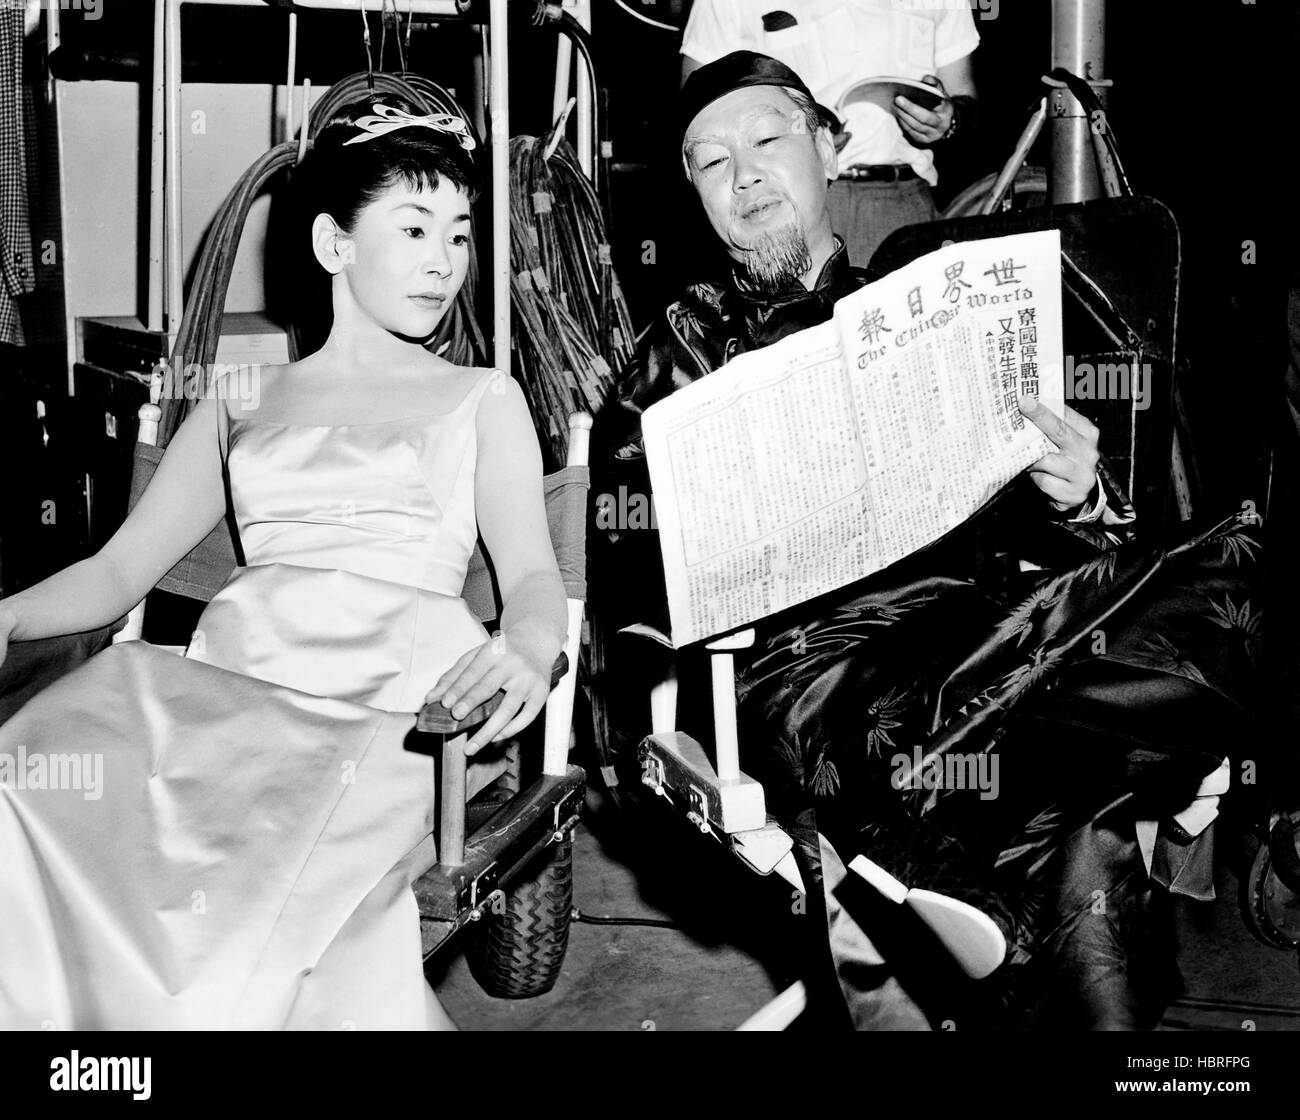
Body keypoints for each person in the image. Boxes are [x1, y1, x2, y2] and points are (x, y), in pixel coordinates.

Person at [593, 52, 1264, 1029]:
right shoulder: (679, 351)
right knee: (1079, 826)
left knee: (1233, 562)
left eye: (769, 140)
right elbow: (630, 578)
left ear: (830, 146)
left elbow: (1076, 551)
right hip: (810, 669)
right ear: (691, 194)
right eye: (708, 161)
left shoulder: (924, 309)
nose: (742, 174)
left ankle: (951, 854)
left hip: (987, 634)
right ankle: (977, 840)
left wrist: (1081, 496)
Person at [0, 96, 568, 1030]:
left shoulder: (481, 396)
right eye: (415, 227)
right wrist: (11, 616)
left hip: (384, 716)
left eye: (461, 236)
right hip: (222, 695)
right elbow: (116, 573)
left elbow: (535, 576)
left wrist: (528, 643)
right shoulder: (240, 397)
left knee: (237, 942)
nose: (444, 262)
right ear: (333, 244)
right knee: (26, 779)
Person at [681, 0, 980, 267]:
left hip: (905, 202)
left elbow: (964, 96)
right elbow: (695, 109)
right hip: (790, 201)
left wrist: (947, 119)